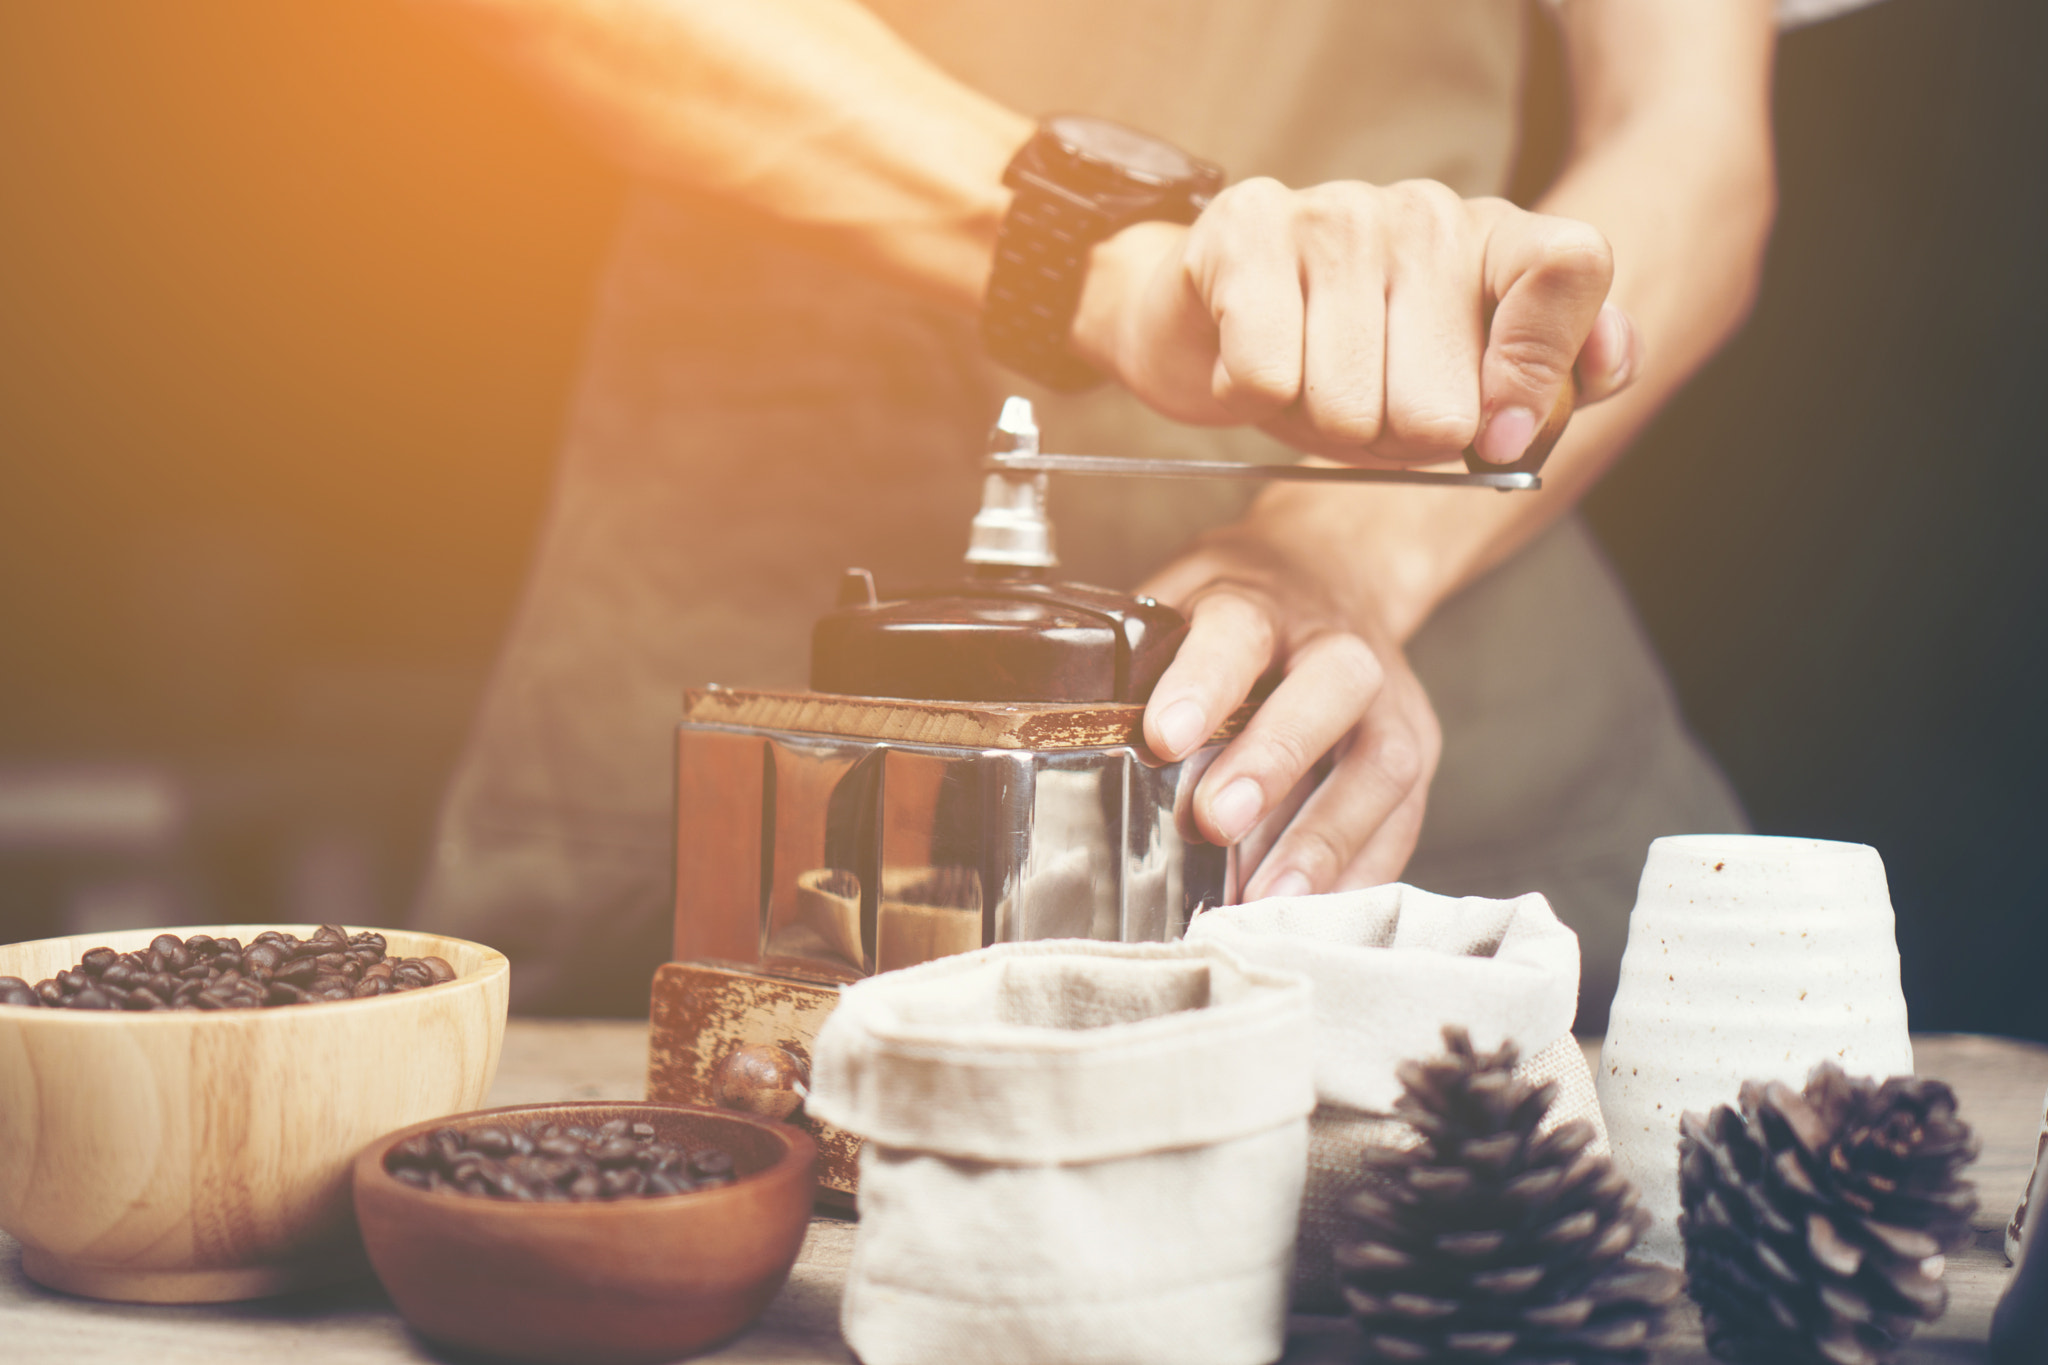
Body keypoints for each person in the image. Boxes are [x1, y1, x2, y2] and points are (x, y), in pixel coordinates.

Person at [408, 0, 1777, 1028]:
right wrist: (1088, 260)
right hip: (746, 759)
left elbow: (1691, 140)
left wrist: (1348, 550)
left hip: (1415, 792)